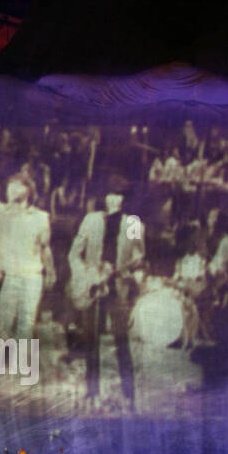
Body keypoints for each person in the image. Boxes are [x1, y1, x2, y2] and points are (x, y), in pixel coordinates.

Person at [66, 174, 144, 408]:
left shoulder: (132, 224)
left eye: (118, 195)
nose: (113, 199)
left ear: (124, 199)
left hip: (117, 287)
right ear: (104, 197)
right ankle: (92, 392)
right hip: (93, 287)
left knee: (122, 341)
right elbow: (73, 254)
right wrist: (86, 275)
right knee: (91, 340)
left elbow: (139, 256)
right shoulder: (91, 220)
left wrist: (124, 271)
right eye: (110, 194)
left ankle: (129, 395)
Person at [0, 174, 55, 340]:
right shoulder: (3, 216)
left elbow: (45, 247)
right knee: (2, 324)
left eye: (18, 185)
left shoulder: (41, 217)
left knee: (26, 325)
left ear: (29, 190)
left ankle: (21, 365)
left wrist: (51, 272)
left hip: (33, 278)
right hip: (11, 277)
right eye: (10, 185)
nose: (13, 189)